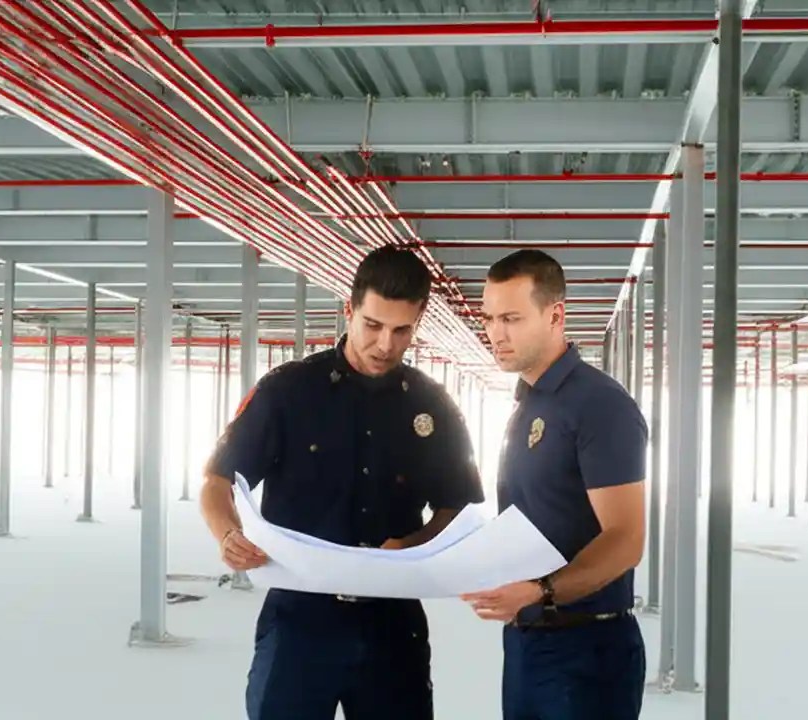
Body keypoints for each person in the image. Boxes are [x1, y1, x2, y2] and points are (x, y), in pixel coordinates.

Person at [199, 245, 485, 720]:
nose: (386, 344)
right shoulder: (288, 391)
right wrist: (227, 533)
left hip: (393, 624)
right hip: (298, 621)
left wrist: (414, 544)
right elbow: (217, 478)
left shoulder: (432, 407)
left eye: (402, 330)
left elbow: (460, 510)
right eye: (373, 325)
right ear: (349, 309)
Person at [461, 249, 648, 719]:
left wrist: (542, 591)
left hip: (587, 648)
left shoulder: (598, 405)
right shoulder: (530, 402)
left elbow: (626, 540)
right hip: (530, 640)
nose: (495, 333)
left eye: (511, 318)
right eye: (488, 318)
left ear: (555, 315)